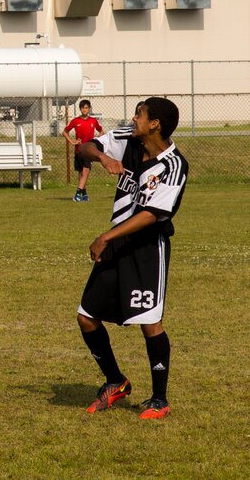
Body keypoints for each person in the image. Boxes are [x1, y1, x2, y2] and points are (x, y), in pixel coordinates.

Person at [74, 97, 187, 420]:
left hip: (147, 249)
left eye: (140, 114)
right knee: (86, 316)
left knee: (149, 322)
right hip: (117, 243)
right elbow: (84, 149)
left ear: (155, 124)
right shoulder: (127, 139)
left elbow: (153, 214)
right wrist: (102, 158)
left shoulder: (174, 165)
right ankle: (115, 381)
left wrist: (106, 237)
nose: (133, 118)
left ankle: (160, 399)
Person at [64, 99, 105, 201]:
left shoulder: (93, 121)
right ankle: (84, 193)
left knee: (86, 170)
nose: (84, 109)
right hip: (78, 150)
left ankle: (78, 193)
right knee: (81, 173)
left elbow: (101, 130)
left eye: (86, 107)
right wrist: (72, 142)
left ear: (89, 109)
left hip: (88, 151)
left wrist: (96, 140)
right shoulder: (75, 121)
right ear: (80, 109)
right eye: (83, 108)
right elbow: (65, 132)